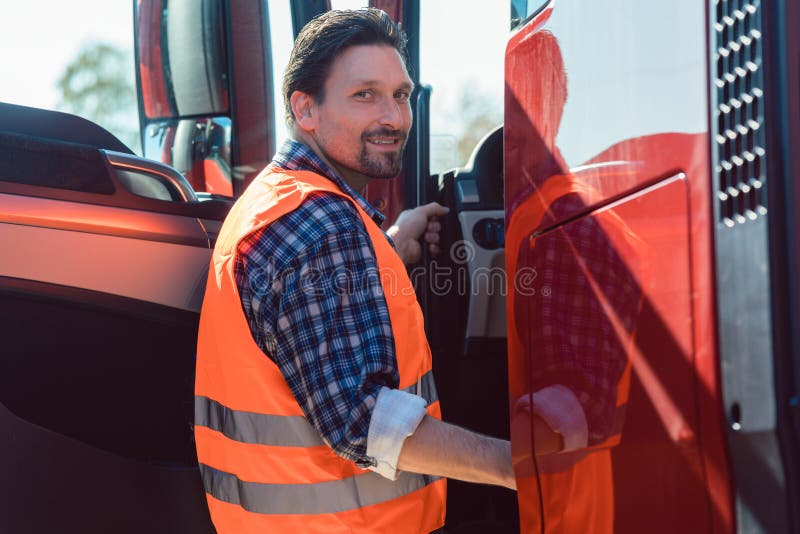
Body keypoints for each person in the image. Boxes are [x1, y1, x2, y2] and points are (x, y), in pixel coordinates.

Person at [194, 8, 517, 533]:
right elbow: (364, 422)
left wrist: (386, 250)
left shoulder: (274, 205)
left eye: (401, 95)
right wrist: (516, 466)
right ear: (306, 109)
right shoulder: (323, 226)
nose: (392, 117)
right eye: (364, 95)